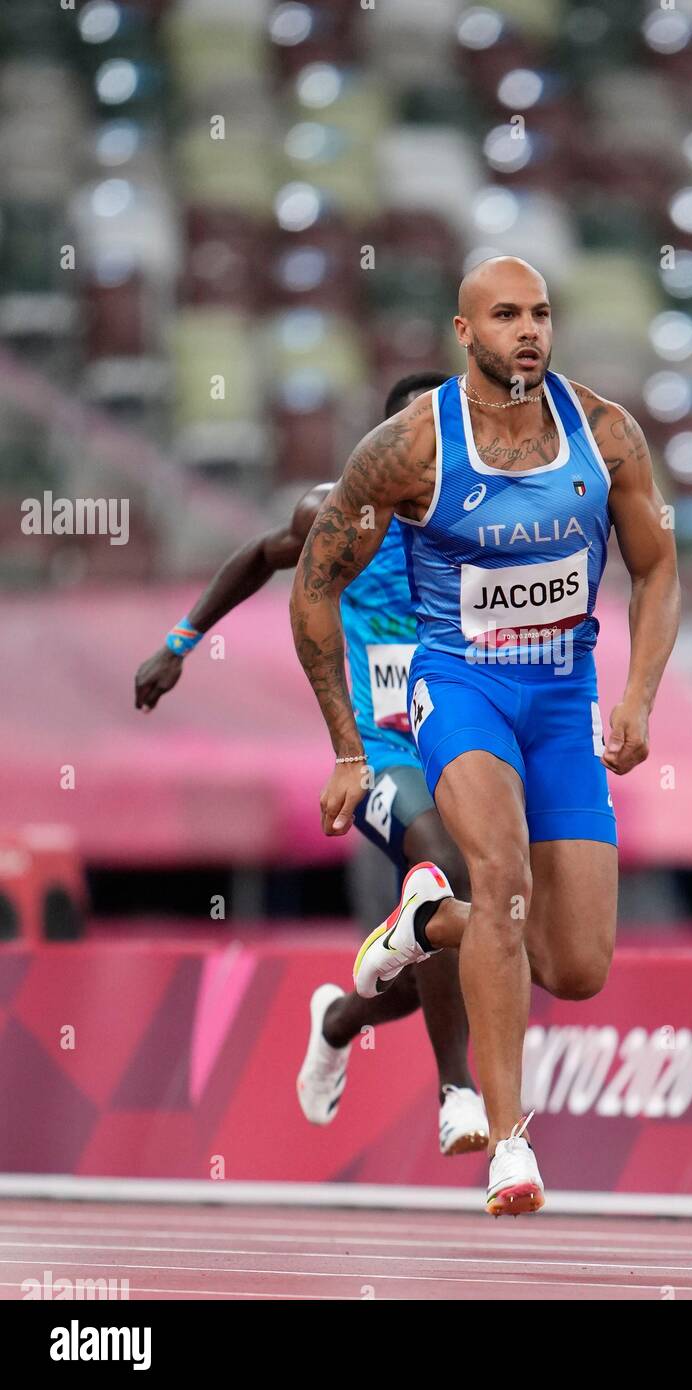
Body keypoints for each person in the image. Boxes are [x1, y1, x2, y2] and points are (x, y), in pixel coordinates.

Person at [289, 257, 680, 1215]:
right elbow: (312, 582)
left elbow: (659, 568)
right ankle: (510, 1141)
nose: (528, 331)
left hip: (561, 699)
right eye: (506, 315)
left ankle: (424, 923)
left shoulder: (607, 434)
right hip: (459, 690)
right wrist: (347, 748)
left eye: (540, 313)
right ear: (464, 333)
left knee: (577, 968)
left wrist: (635, 698)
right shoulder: (409, 447)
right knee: (499, 878)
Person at [133, 373, 490, 1158]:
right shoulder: (339, 513)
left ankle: (339, 1020)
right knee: (445, 868)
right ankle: (456, 1091)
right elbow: (261, 557)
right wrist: (178, 645)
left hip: (466, 741)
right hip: (377, 753)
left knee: (474, 942)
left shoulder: (484, 523)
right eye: (415, 441)